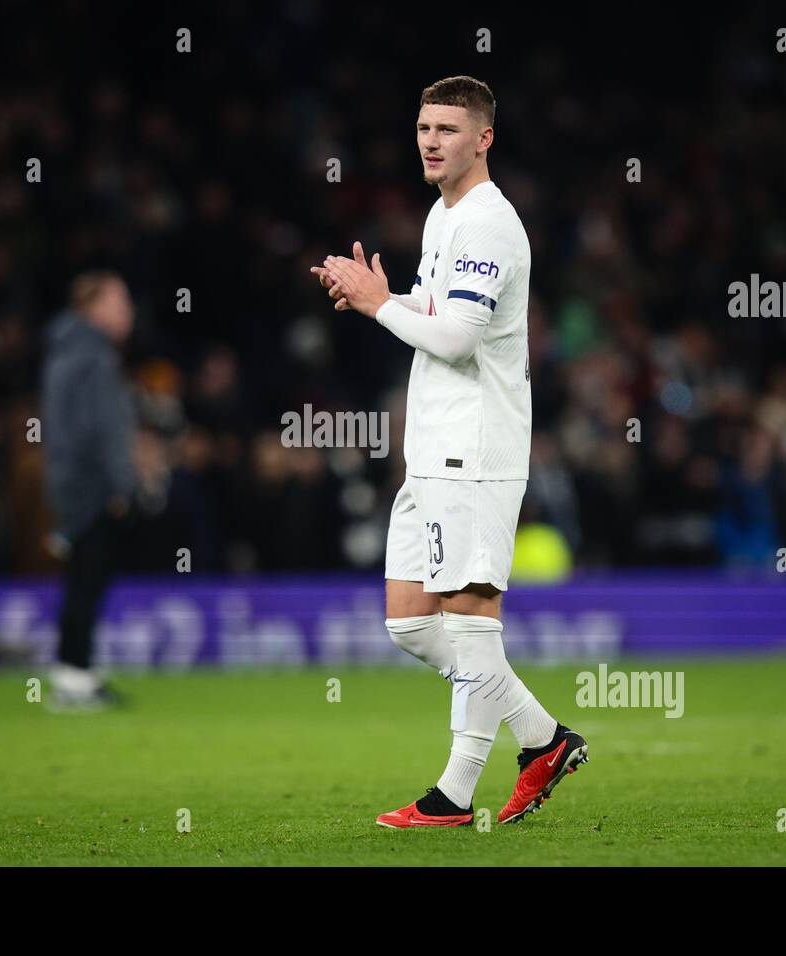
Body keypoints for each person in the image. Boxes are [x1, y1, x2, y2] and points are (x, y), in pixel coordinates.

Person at [315, 76, 588, 827]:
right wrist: (386, 296)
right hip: (431, 449)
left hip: (475, 447)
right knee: (409, 623)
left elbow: (461, 339)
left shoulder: (492, 226)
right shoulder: (444, 216)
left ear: (483, 138)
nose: (430, 141)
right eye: (423, 127)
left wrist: (379, 310)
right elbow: (435, 315)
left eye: (447, 129)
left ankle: (455, 794)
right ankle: (541, 738)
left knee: (470, 623)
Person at [41, 271, 138, 711]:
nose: (128, 312)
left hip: (67, 483)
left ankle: (72, 671)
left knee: (80, 579)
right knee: (87, 581)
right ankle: (74, 679)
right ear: (93, 308)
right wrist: (121, 485)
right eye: (120, 302)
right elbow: (104, 431)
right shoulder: (94, 358)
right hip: (90, 487)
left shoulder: (64, 352)